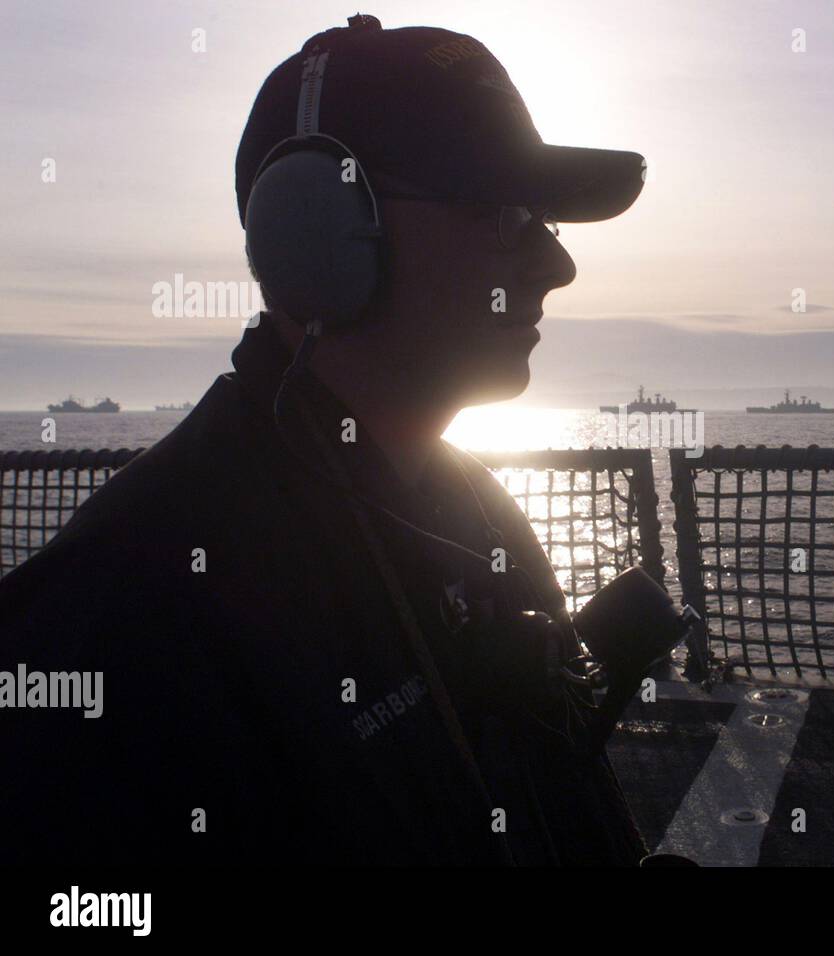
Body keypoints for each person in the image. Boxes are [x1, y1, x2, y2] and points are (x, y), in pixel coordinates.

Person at [0, 15, 649, 865]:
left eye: (547, 223)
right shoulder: (121, 610)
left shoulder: (482, 520)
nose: (556, 267)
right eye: (505, 215)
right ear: (317, 231)